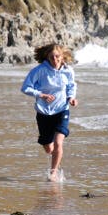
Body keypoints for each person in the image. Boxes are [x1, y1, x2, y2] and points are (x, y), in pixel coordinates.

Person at [21, 43, 78, 182]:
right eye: (51, 57)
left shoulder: (68, 70)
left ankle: (53, 173)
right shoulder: (39, 71)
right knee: (48, 148)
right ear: (47, 57)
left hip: (61, 110)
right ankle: (54, 155)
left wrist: (71, 98)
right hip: (43, 112)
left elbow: (71, 85)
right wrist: (41, 94)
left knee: (59, 143)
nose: (55, 59)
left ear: (62, 56)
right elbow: (25, 87)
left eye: (57, 56)